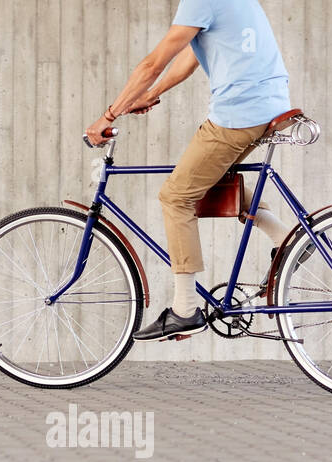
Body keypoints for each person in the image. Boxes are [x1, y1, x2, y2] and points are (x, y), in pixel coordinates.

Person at [85, 0, 293, 342]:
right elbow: (190, 58)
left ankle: (185, 310)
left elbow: (153, 63)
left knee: (176, 197)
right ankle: (286, 238)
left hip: (238, 114)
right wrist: (150, 95)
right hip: (268, 107)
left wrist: (108, 115)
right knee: (211, 181)